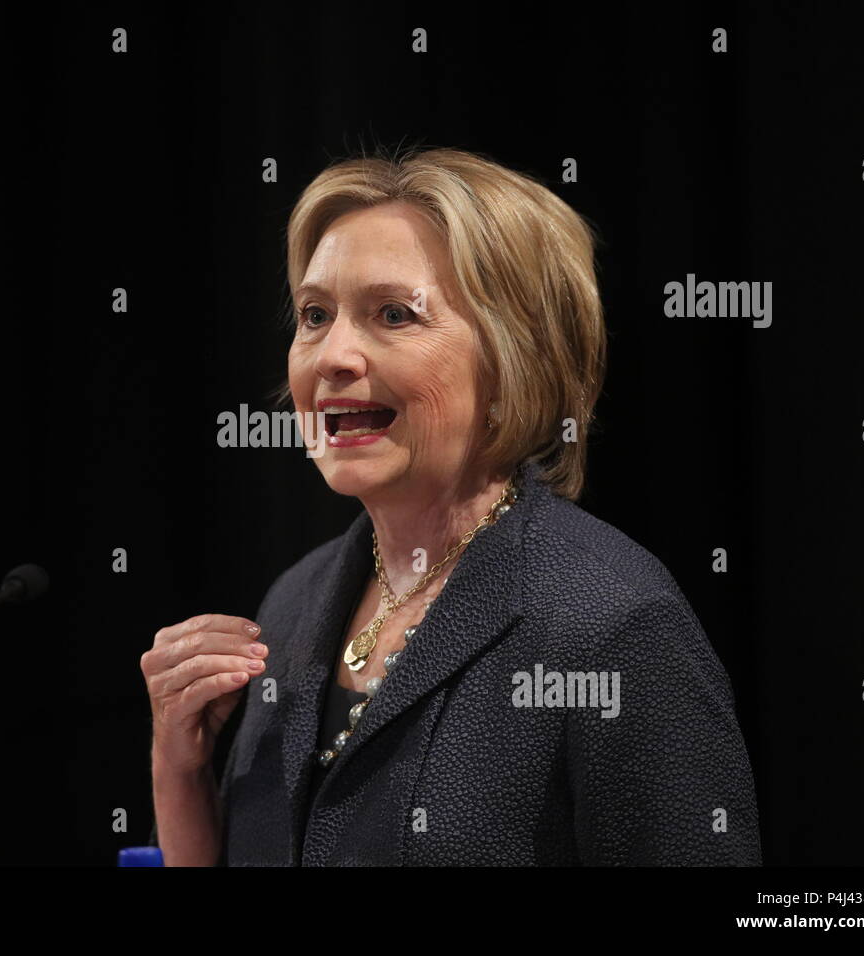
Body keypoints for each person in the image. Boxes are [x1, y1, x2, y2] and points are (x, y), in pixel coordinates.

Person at [141, 146, 762, 866]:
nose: (332, 355)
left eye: (393, 314)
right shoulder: (293, 605)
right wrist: (177, 767)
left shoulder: (613, 623)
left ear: (512, 358)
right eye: (315, 315)